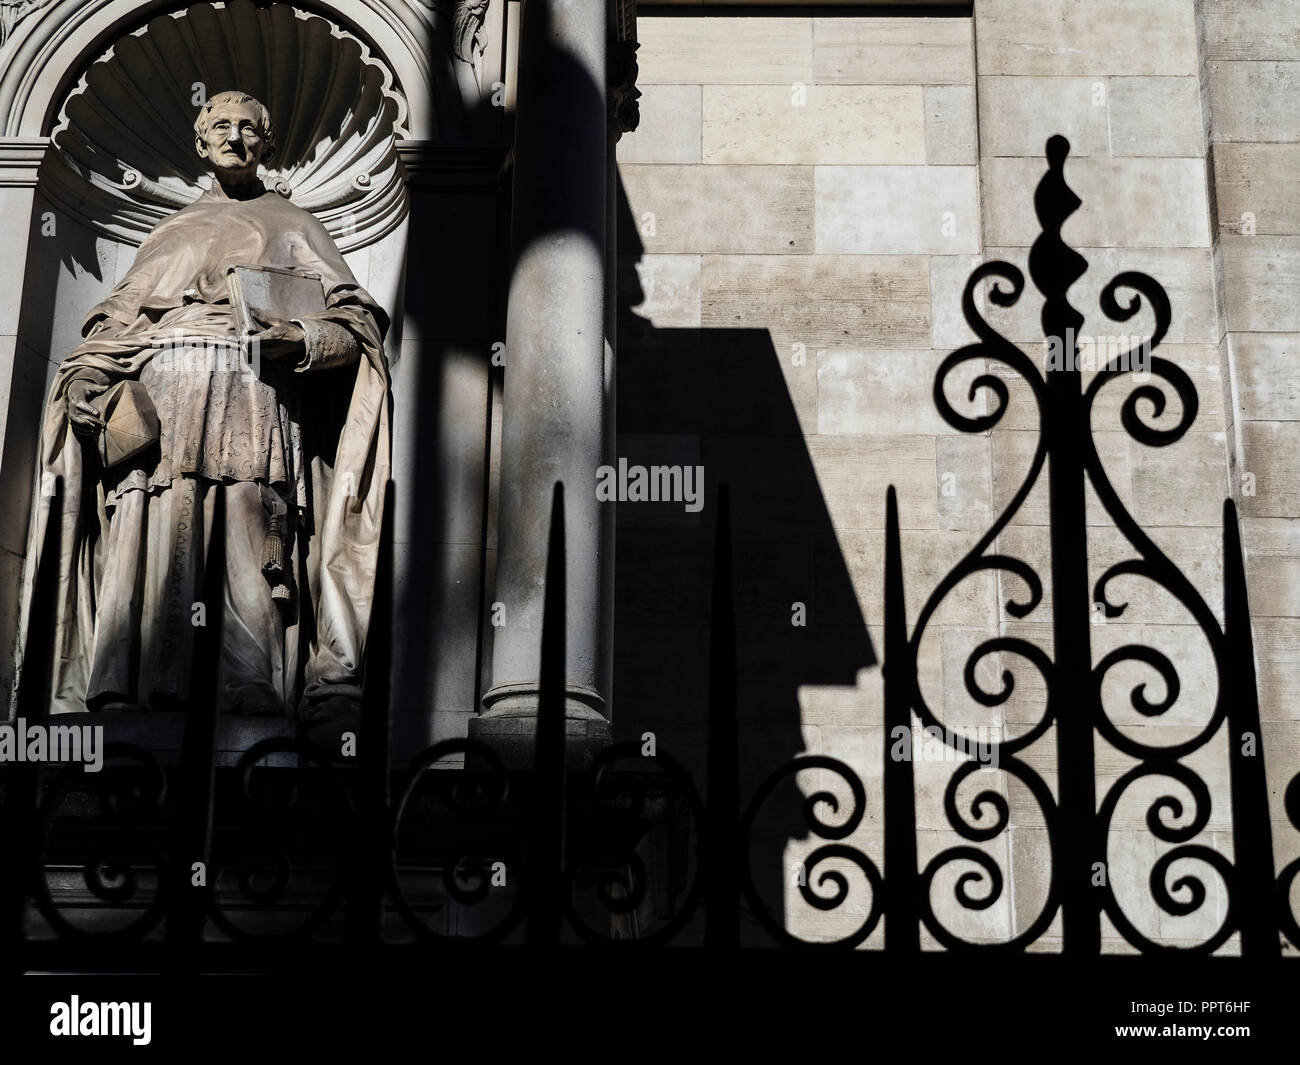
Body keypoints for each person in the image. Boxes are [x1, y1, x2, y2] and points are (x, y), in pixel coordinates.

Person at [20, 90, 390, 740]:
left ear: (267, 144)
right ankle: (128, 680)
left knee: (248, 517)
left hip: (252, 393)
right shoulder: (174, 229)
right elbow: (115, 322)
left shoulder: (294, 223)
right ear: (200, 140)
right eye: (221, 124)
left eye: (250, 126)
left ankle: (249, 684)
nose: (236, 135)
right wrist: (83, 376)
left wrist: (296, 339)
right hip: (159, 398)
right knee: (151, 518)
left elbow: (353, 327)